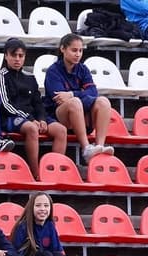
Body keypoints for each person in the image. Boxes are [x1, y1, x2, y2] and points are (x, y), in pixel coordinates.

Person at [0, 38, 69, 175]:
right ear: (6, 56)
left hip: (33, 117)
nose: (17, 59)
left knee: (61, 130)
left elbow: (38, 102)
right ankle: (35, 173)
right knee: (32, 129)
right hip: (11, 117)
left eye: (21, 56)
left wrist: (42, 118)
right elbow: (6, 104)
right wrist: (30, 119)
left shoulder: (30, 77)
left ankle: (54, 172)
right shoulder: (1, 75)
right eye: (14, 55)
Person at [43, 34, 115, 163]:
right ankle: (86, 148)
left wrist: (72, 94)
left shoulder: (83, 69)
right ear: (63, 49)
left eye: (80, 50)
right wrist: (82, 95)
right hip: (59, 117)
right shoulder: (53, 71)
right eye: (74, 50)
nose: (78, 54)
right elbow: (59, 99)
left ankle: (99, 146)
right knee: (74, 103)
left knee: (103, 102)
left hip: (82, 116)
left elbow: (93, 92)